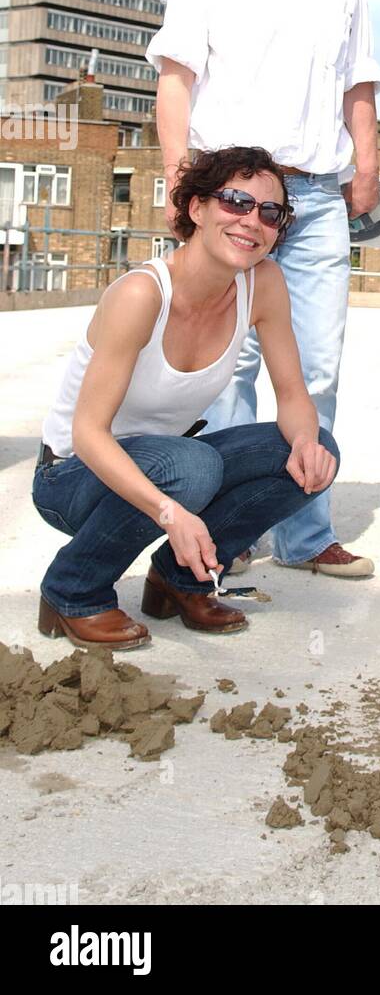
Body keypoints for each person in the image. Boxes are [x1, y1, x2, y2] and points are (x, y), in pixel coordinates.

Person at [148, 0, 380, 580]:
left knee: (314, 369)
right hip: (231, 201)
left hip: (312, 199)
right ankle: (230, 529)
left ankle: (305, 533)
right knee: (226, 369)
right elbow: (175, 81)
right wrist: (186, 186)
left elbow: (358, 81)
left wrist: (367, 166)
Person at [33, 147, 339, 650]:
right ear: (197, 209)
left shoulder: (262, 283)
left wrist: (306, 442)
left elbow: (292, 395)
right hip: (70, 477)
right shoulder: (141, 294)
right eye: (236, 202)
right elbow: (87, 435)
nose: (252, 221)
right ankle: (73, 590)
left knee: (312, 455)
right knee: (191, 466)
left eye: (269, 212)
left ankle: (180, 580)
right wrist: (170, 512)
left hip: (167, 464)